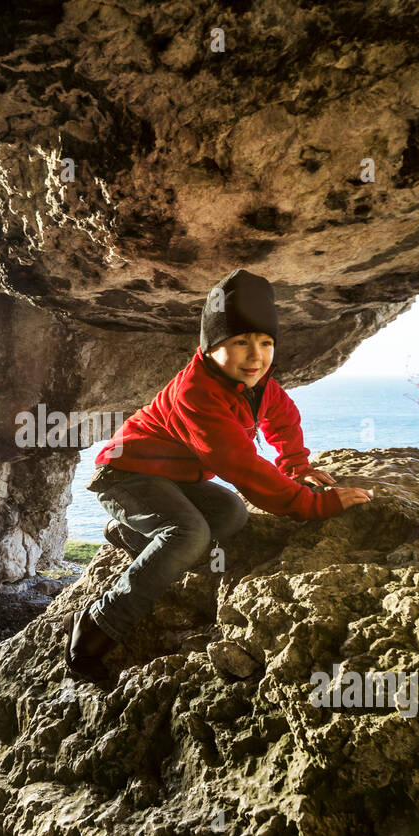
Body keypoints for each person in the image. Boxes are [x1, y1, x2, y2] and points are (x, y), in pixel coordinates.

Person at [65, 268, 374, 683]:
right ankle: (95, 630)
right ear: (210, 348)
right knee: (188, 535)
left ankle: (133, 535)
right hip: (124, 474)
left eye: (265, 343)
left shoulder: (259, 384)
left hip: (174, 479)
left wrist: (297, 466)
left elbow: (282, 419)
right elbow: (240, 466)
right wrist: (312, 505)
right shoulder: (196, 391)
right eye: (240, 342)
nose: (256, 355)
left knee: (231, 515)